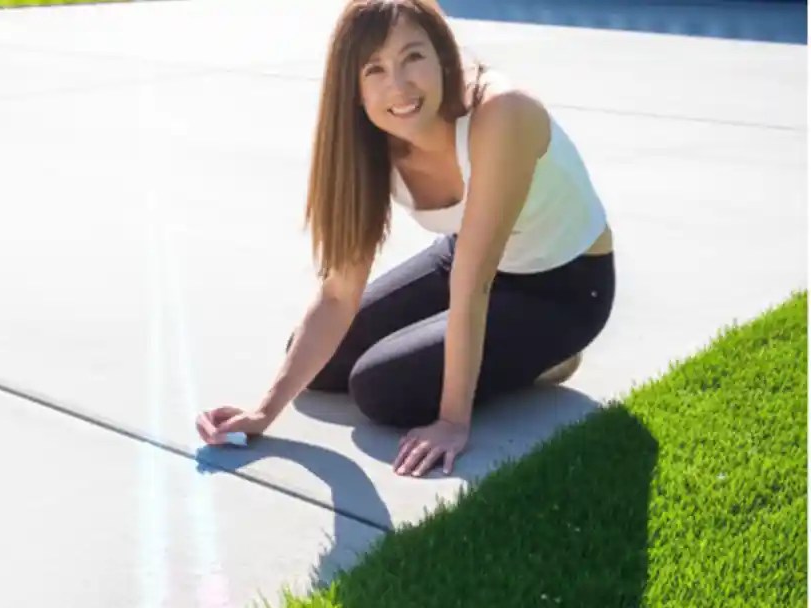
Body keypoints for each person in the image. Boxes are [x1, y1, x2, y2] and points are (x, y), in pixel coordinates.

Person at [195, 0, 616, 477]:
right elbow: (338, 294)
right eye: (374, 69)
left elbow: (471, 286)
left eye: (413, 57)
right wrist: (264, 412)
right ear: (351, 88)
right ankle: (493, 349)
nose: (399, 86)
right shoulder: (366, 142)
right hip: (469, 259)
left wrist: (452, 421)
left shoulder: (502, 113)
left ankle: (547, 357)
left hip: (563, 286)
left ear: (442, 56)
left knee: (381, 389)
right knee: (321, 363)